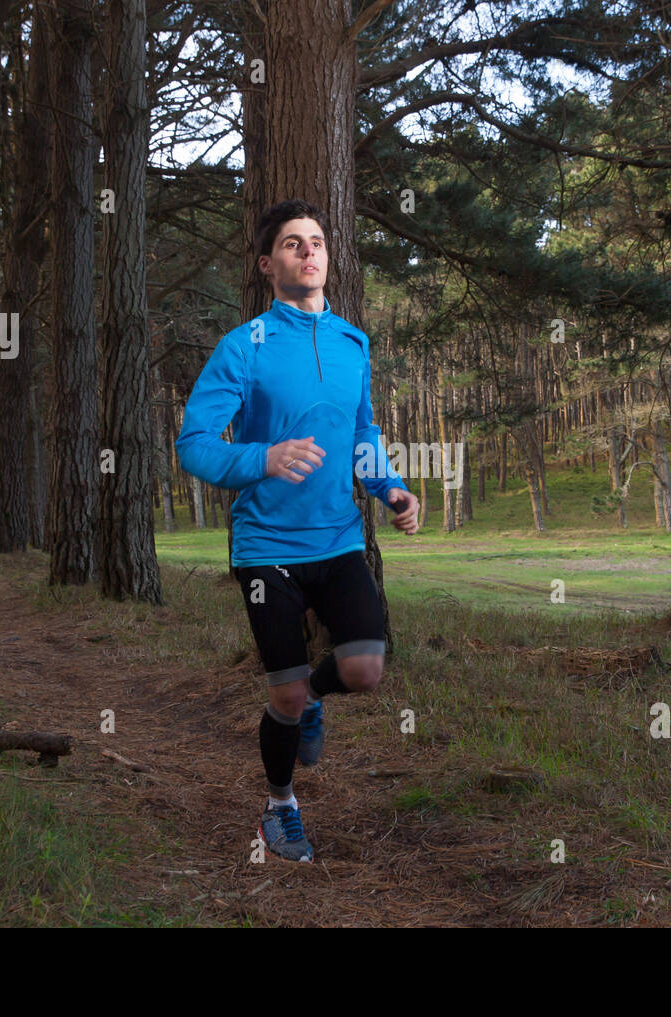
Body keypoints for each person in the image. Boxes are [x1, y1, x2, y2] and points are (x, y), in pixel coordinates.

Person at [175, 199, 420, 863]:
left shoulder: (352, 343)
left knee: (365, 667)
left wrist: (388, 486)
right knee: (281, 691)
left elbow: (362, 431)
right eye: (292, 243)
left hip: (338, 537)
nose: (308, 251)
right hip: (266, 548)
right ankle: (279, 806)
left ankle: (312, 697)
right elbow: (193, 445)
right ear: (267, 264)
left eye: (316, 241)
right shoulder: (243, 347)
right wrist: (263, 459)